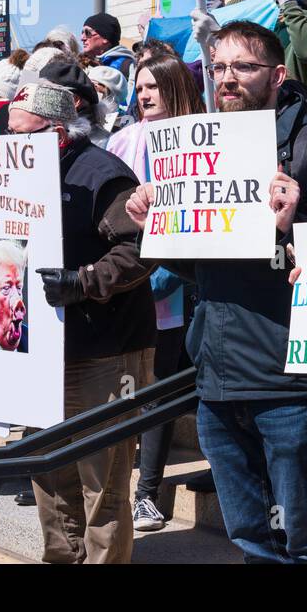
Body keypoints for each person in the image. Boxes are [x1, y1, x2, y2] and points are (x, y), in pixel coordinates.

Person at [126, 21, 307, 563]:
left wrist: (294, 222)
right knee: (251, 539)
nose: (227, 79)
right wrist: (157, 228)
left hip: (292, 379)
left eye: (244, 67)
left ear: (278, 75)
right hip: (218, 377)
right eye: (218, 67)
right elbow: (200, 270)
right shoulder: (207, 149)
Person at [5, 81, 156, 563]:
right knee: (49, 470)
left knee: (102, 481)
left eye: (21, 135)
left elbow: (139, 250)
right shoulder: (15, 176)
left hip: (106, 349)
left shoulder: (102, 175)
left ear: (56, 134)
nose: (10, 146)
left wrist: (83, 281)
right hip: (44, 349)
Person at [103, 56, 203, 533]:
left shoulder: (197, 134)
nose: (144, 95)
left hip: (179, 284)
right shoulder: (122, 139)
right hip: (131, 280)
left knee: (162, 390)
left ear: (175, 87)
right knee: (135, 392)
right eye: (139, 86)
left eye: (154, 87)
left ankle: (148, 493)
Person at [80, 13, 136, 96]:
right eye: (82, 32)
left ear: (105, 38)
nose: (82, 38)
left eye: (87, 33)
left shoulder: (128, 65)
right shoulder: (85, 65)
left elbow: (130, 104)